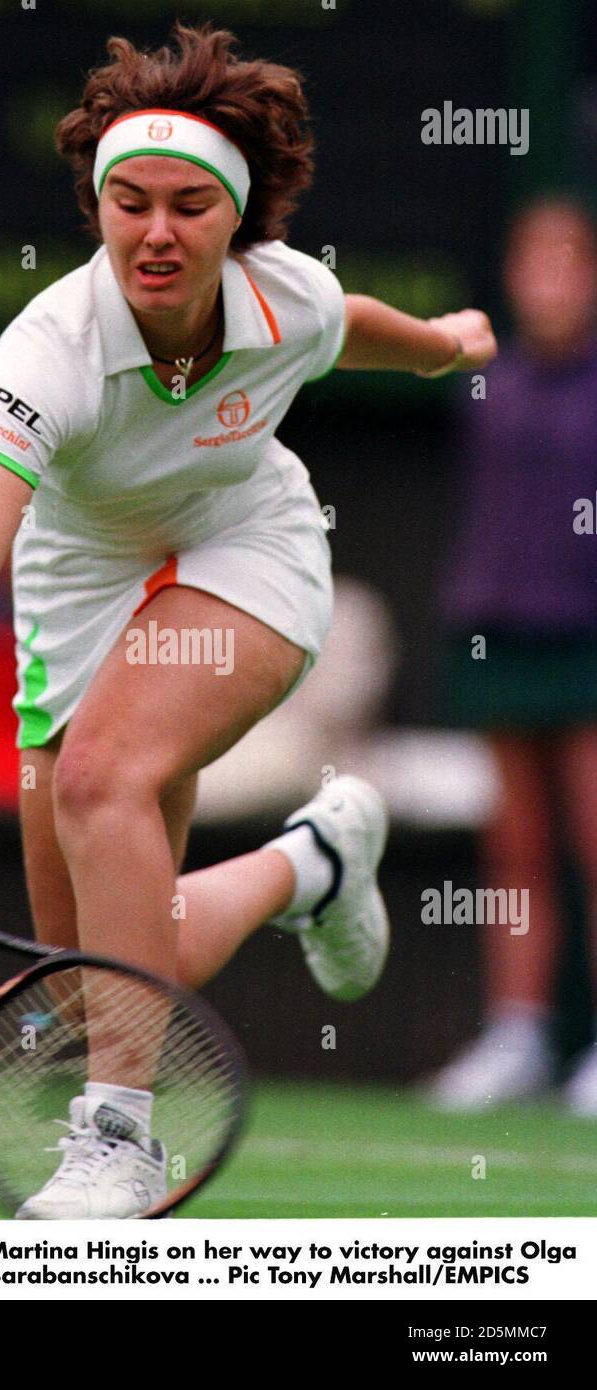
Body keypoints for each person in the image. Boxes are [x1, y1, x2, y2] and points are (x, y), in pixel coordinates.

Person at [0, 22, 496, 1218]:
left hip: (248, 550)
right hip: (80, 587)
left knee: (102, 777)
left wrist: (444, 348)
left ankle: (120, 1139)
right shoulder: (47, 353)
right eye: (126, 201)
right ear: (95, 205)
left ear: (234, 218)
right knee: (87, 981)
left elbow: (351, 323)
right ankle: (310, 862)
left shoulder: (281, 296)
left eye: (189, 206)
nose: (155, 231)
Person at [426, 196, 597, 1115]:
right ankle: (517, 1034)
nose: (549, 283)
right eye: (534, 264)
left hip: (587, 637)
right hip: (501, 630)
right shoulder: (487, 385)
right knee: (517, 849)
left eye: (567, 263)